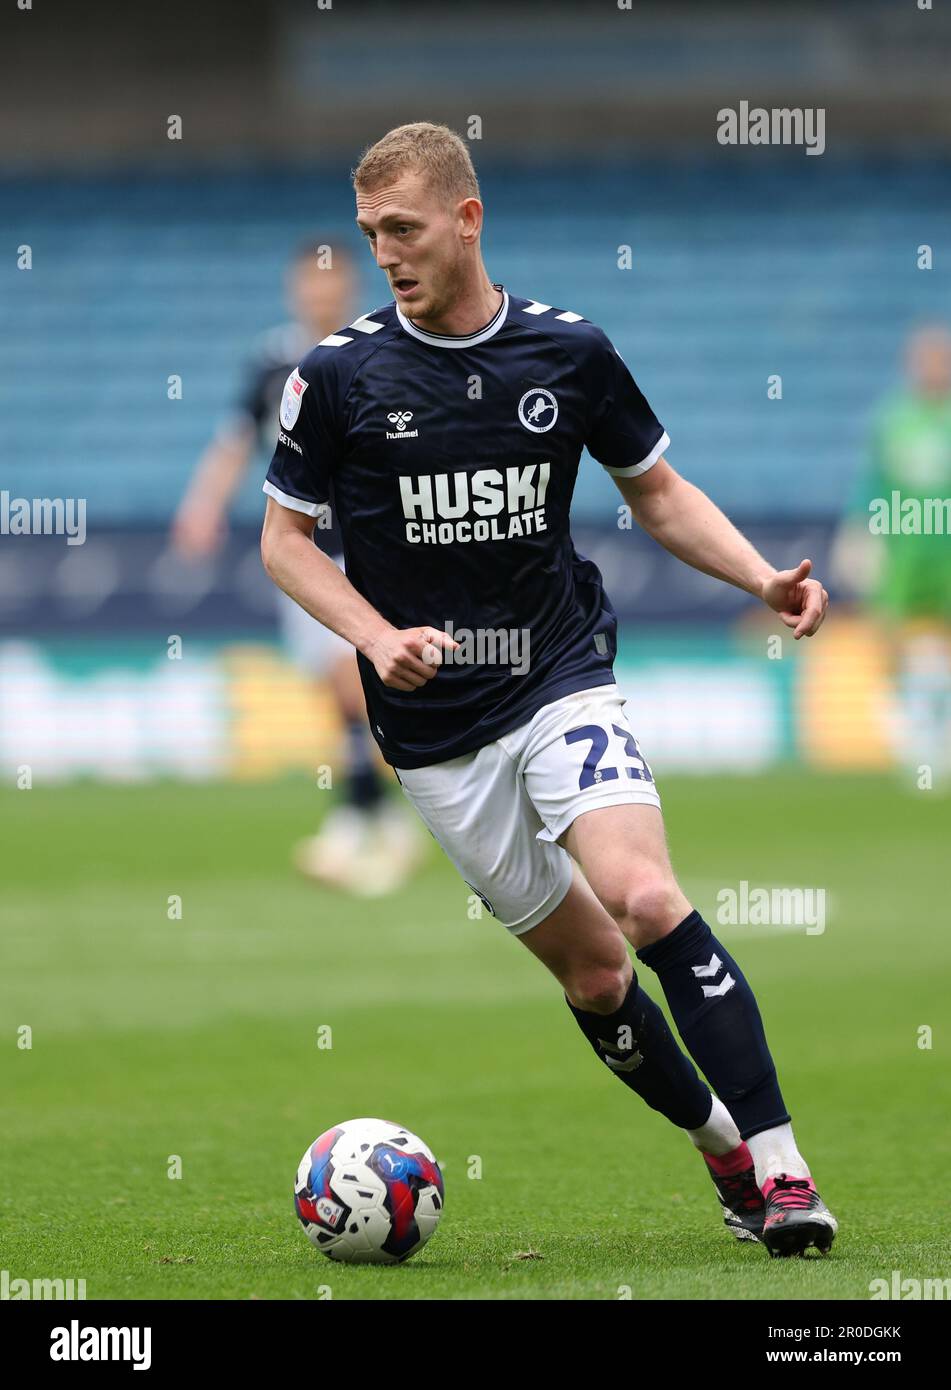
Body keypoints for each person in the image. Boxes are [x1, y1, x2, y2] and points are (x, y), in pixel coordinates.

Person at [260, 123, 836, 1256]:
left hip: (559, 677)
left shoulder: (568, 354)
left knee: (646, 897)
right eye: (374, 234)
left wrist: (763, 576)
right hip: (433, 736)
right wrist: (376, 636)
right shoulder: (336, 377)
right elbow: (284, 542)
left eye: (406, 230)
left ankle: (783, 1168)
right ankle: (721, 1145)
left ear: (467, 221)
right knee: (593, 973)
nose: (387, 254)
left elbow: (656, 492)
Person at [171, 241, 423, 894]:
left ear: (348, 286)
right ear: (294, 289)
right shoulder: (272, 361)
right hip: (299, 547)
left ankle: (351, 821)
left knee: (350, 682)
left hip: (369, 546)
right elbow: (234, 441)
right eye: (309, 283)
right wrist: (203, 506)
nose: (319, 293)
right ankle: (390, 820)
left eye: (330, 281)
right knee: (337, 694)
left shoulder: (380, 349)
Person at [833, 324, 951, 788]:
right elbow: (873, 484)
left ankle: (938, 733)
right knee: (891, 640)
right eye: (925, 358)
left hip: (945, 547)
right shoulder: (893, 419)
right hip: (903, 548)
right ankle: (910, 730)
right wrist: (860, 531)